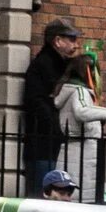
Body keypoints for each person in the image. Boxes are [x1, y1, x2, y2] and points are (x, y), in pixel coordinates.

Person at [20, 19, 84, 191]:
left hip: (54, 143)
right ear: (57, 41)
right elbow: (38, 104)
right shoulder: (44, 65)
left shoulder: (61, 65)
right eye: (71, 39)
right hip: (43, 144)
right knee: (44, 196)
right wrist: (58, 127)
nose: (76, 45)